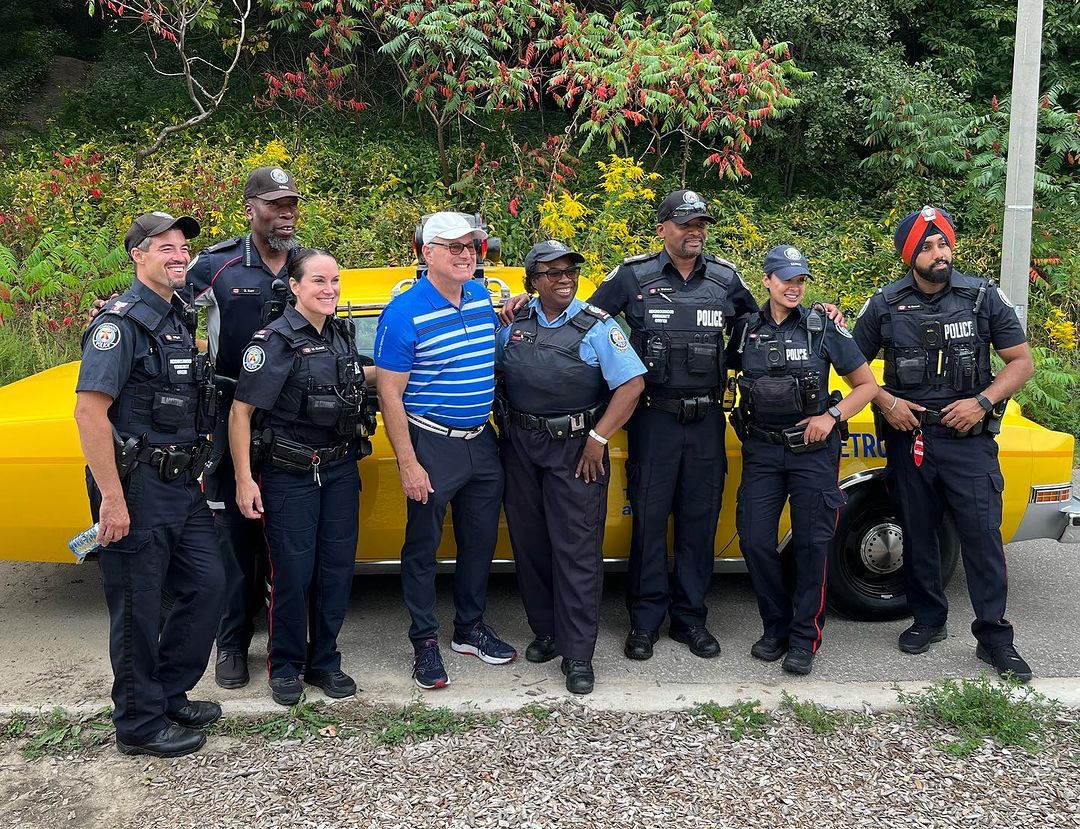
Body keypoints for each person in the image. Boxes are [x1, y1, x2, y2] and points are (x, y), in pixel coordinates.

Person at [852, 206, 1035, 681]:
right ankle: (928, 620)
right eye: (927, 247)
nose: (940, 253)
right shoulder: (885, 304)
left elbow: (1021, 362)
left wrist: (982, 401)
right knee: (918, 533)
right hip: (910, 438)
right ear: (909, 255)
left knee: (982, 537)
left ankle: (995, 638)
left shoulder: (981, 298)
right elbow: (852, 364)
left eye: (944, 244)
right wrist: (887, 401)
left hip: (968, 441)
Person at [74, 212, 225, 757]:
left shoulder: (177, 316)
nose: (179, 256)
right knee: (138, 607)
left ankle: (167, 693)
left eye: (183, 247)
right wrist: (112, 500)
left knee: (209, 585)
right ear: (138, 256)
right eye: (165, 248)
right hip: (135, 488)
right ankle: (138, 724)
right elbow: (90, 414)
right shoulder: (119, 326)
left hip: (181, 485)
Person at [496, 240, 646, 694]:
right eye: (553, 272)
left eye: (570, 271)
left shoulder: (597, 325)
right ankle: (547, 633)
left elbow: (632, 385)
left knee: (576, 551)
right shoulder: (513, 322)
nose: (565, 279)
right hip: (521, 446)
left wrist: (598, 438)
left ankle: (579, 653)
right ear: (533, 282)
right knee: (531, 545)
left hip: (577, 451)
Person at [375, 211, 516, 689]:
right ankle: (424, 643)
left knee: (480, 540)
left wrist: (512, 309)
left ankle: (469, 629)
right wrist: (409, 463)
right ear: (427, 252)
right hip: (431, 442)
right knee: (423, 548)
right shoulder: (403, 312)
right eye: (454, 246)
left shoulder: (479, 295)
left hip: (481, 438)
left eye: (472, 246)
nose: (466, 254)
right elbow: (390, 393)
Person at [229, 249, 374, 706]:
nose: (330, 289)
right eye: (318, 281)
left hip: (340, 470)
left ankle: (324, 661)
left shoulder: (340, 334)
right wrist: (244, 480)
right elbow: (240, 413)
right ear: (294, 287)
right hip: (290, 474)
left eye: (335, 280)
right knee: (292, 574)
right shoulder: (274, 341)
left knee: (336, 571)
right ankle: (287, 665)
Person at [728, 246, 877, 675]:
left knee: (812, 545)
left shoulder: (823, 326)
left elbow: (866, 386)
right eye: (785, 279)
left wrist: (831, 417)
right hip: (762, 449)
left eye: (800, 280)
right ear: (767, 280)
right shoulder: (745, 329)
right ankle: (775, 627)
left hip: (812, 452)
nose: (794, 288)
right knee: (754, 539)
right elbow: (725, 373)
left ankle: (803, 637)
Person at [187, 165, 305, 690]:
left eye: (292, 205)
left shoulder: (307, 265)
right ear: (250, 208)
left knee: (286, 538)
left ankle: (288, 648)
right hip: (231, 413)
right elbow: (164, 306)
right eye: (275, 205)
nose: (286, 214)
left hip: (294, 420)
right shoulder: (217, 265)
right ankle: (231, 642)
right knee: (233, 540)